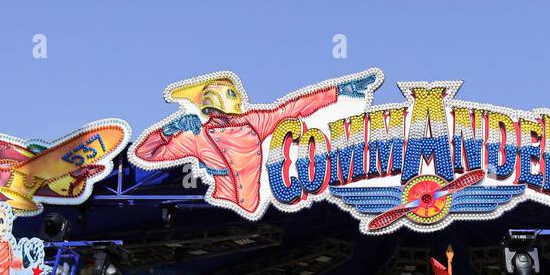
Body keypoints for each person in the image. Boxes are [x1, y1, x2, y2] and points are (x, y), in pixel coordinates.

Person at [132, 71, 378, 217]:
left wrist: (338, 91)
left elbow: (293, 109)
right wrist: (168, 130)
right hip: (222, 207)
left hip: (252, 206)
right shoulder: (197, 137)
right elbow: (145, 154)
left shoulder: (252, 121)